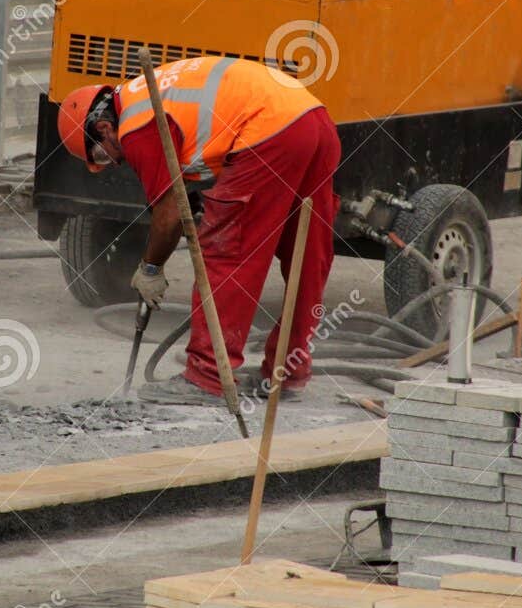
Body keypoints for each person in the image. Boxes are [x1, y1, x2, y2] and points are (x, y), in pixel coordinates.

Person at [56, 57, 340, 405]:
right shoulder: (147, 92)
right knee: (307, 253)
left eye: (103, 156)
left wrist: (150, 268)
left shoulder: (136, 125)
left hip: (269, 130)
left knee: (227, 251)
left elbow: (170, 211)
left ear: (102, 128)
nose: (116, 162)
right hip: (313, 116)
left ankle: (208, 376)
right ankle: (288, 370)